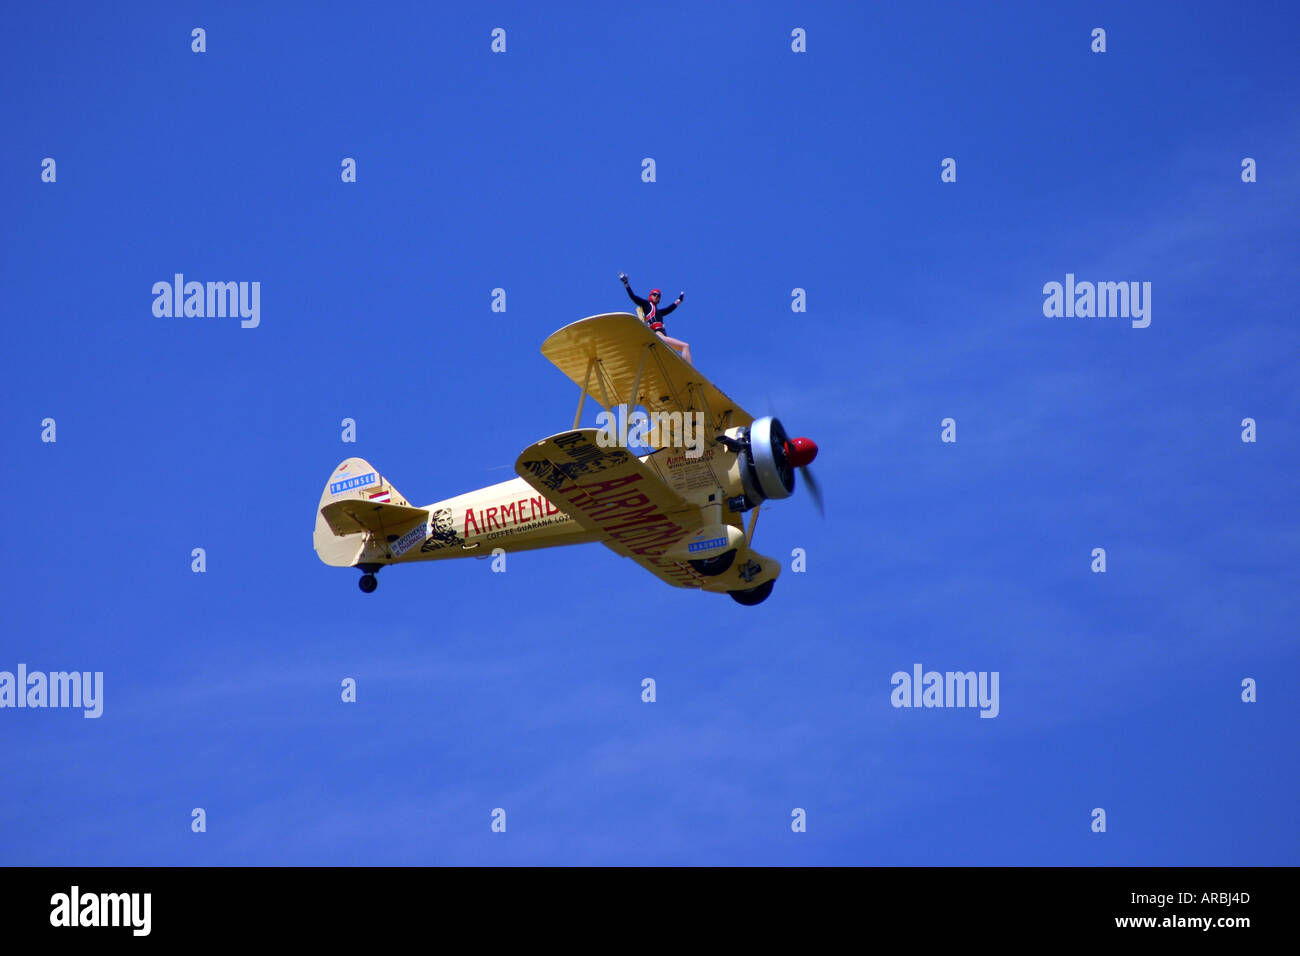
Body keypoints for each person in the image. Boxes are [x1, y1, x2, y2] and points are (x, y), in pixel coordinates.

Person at [619, 272, 691, 365]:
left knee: (675, 356)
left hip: (663, 339)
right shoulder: (647, 305)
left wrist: (679, 300)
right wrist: (626, 283)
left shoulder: (659, 313)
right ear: (650, 295)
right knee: (685, 346)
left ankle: (685, 372)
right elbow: (633, 297)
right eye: (654, 294)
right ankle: (690, 371)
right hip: (658, 336)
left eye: (658, 296)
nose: (656, 296)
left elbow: (669, 309)